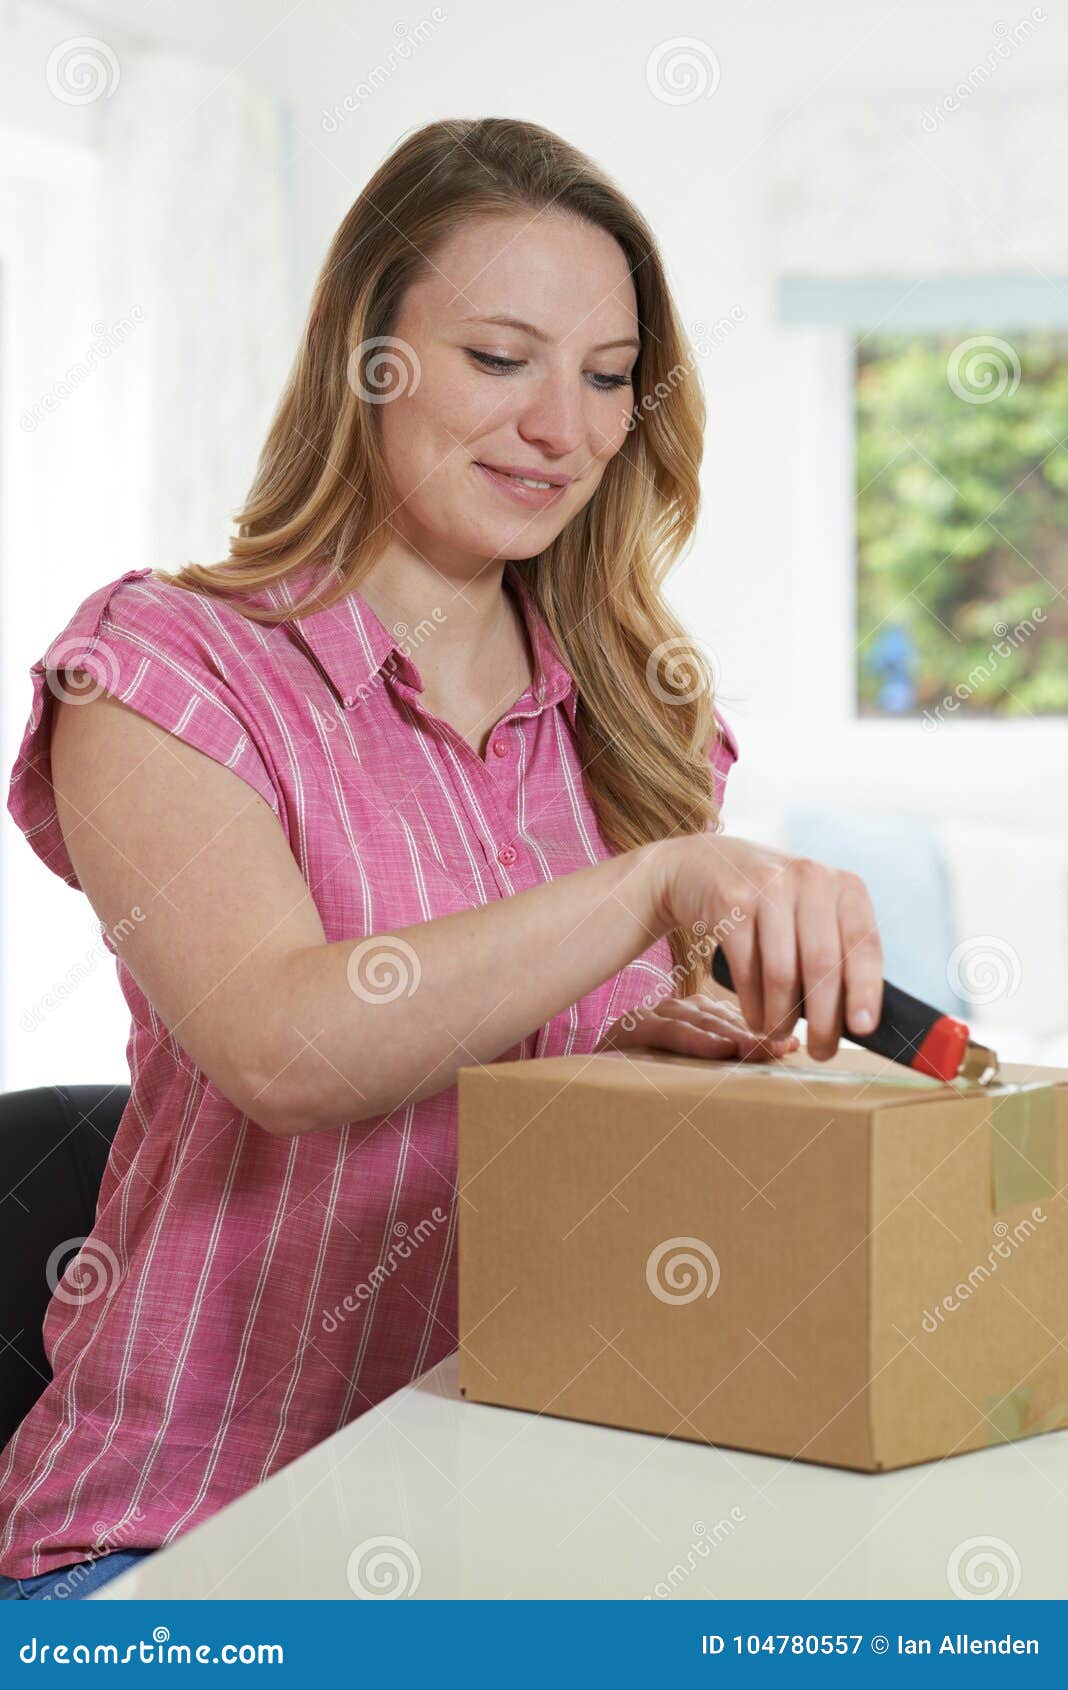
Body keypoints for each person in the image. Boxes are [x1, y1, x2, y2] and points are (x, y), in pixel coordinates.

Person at [0, 116, 882, 1597]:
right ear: (369, 358)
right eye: (500, 358)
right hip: (185, 1539)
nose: (566, 428)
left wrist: (666, 1084)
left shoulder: (644, 727)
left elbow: (590, 1188)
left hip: (532, 1534)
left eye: (608, 380)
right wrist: (650, 887)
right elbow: (286, 1042)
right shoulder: (166, 671)